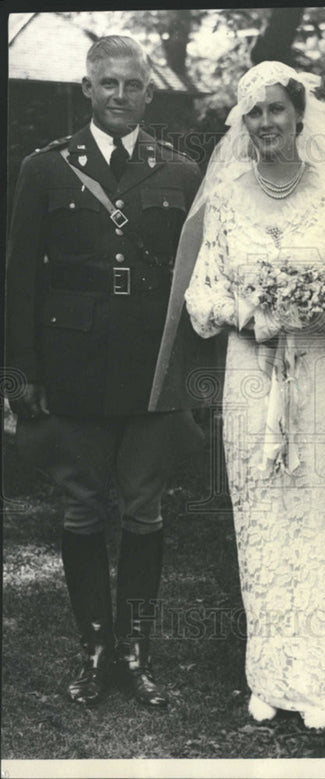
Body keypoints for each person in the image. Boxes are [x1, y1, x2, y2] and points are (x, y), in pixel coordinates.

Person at [151, 60, 325, 729]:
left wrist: (317, 304)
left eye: (277, 108)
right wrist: (255, 315)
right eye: (255, 112)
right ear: (242, 123)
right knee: (264, 514)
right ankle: (273, 671)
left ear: (300, 115)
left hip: (324, 370)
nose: (266, 121)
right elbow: (201, 299)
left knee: (324, 511)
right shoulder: (227, 197)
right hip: (251, 373)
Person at [5, 36, 210, 708]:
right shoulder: (45, 168)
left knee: (145, 510)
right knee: (83, 507)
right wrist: (19, 372)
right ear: (87, 89)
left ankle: (135, 652)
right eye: (108, 83)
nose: (120, 95)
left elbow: (200, 283)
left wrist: (195, 376)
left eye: (132, 84)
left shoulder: (180, 172)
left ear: (150, 93)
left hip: (152, 369)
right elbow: (19, 279)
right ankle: (94, 648)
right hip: (73, 367)